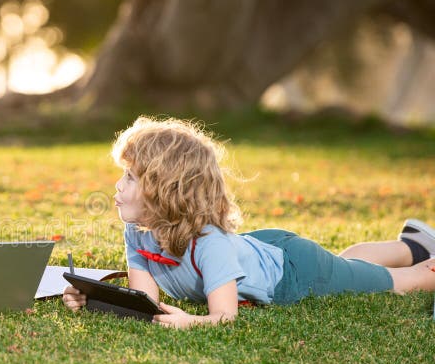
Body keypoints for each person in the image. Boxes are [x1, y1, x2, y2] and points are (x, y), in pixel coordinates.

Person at [63, 116, 435, 329]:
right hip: (264, 247)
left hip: (296, 272)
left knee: (395, 282)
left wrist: (192, 323)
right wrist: (94, 300)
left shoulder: (209, 243)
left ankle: (421, 263)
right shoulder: (138, 230)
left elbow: (225, 315)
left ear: (165, 190)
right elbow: (146, 304)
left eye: (130, 177)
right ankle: (416, 244)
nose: (118, 185)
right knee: (348, 264)